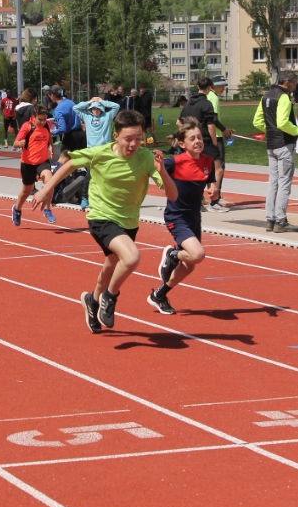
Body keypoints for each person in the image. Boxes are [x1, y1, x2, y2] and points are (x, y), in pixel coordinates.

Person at [32, 110, 177, 332]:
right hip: (101, 217)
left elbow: (173, 196)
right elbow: (69, 164)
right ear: (116, 135)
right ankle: (110, 297)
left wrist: (163, 173)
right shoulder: (100, 153)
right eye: (128, 139)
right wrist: (46, 190)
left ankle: (93, 299)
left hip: (129, 221)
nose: (133, 144)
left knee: (111, 266)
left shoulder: (147, 157)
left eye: (138, 139)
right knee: (131, 257)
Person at [147, 118, 217, 315]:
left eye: (199, 137)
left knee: (189, 266)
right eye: (192, 138)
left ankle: (158, 295)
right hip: (176, 216)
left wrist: (213, 192)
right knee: (197, 255)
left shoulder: (207, 163)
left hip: (194, 217)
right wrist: (159, 167)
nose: (197, 141)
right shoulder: (174, 161)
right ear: (181, 144)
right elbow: (154, 173)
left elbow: (211, 187)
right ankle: (172, 254)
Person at [253, 69, 298, 233]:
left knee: (273, 182)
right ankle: (280, 220)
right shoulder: (284, 97)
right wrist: (296, 131)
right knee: (284, 182)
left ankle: (270, 219)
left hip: (271, 144)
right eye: (294, 83)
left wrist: (269, 130)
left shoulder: (266, 95)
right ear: (287, 82)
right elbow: (282, 123)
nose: (295, 86)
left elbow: (257, 120)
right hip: (284, 144)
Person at [178, 76, 228, 213]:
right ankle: (214, 201)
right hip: (204, 140)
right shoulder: (206, 104)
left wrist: (185, 135)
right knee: (217, 170)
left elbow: (178, 122)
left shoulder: (188, 103)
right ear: (209, 88)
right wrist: (212, 143)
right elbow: (211, 126)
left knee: (197, 171)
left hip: (191, 141)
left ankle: (197, 200)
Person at [12, 104, 56, 226]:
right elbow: (15, 143)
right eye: (39, 119)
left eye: (44, 119)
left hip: (43, 161)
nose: (42, 122)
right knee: (26, 191)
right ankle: (17, 209)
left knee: (50, 182)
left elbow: (49, 137)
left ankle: (47, 209)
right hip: (28, 163)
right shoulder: (27, 127)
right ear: (33, 117)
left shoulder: (47, 124)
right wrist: (19, 143)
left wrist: (51, 147)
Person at [73, 95, 120, 210]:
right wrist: (88, 102)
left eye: (98, 108)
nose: (96, 111)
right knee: (90, 175)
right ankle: (84, 198)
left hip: (105, 152)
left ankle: (107, 198)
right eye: (93, 109)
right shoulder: (87, 117)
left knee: (107, 176)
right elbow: (75, 108)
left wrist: (102, 101)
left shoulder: (107, 117)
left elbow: (116, 106)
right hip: (92, 152)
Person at [207, 75, 233, 209]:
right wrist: (224, 130)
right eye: (221, 85)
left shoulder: (207, 96)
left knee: (207, 168)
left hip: (206, 136)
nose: (223, 88)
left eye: (224, 85)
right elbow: (214, 119)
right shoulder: (214, 98)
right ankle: (215, 198)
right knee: (219, 168)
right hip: (215, 137)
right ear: (213, 86)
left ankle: (210, 196)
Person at [48, 85, 85, 152]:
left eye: (49, 95)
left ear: (52, 95)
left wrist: (53, 132)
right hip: (81, 134)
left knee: (64, 160)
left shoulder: (58, 109)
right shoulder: (70, 102)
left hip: (71, 138)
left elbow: (62, 128)